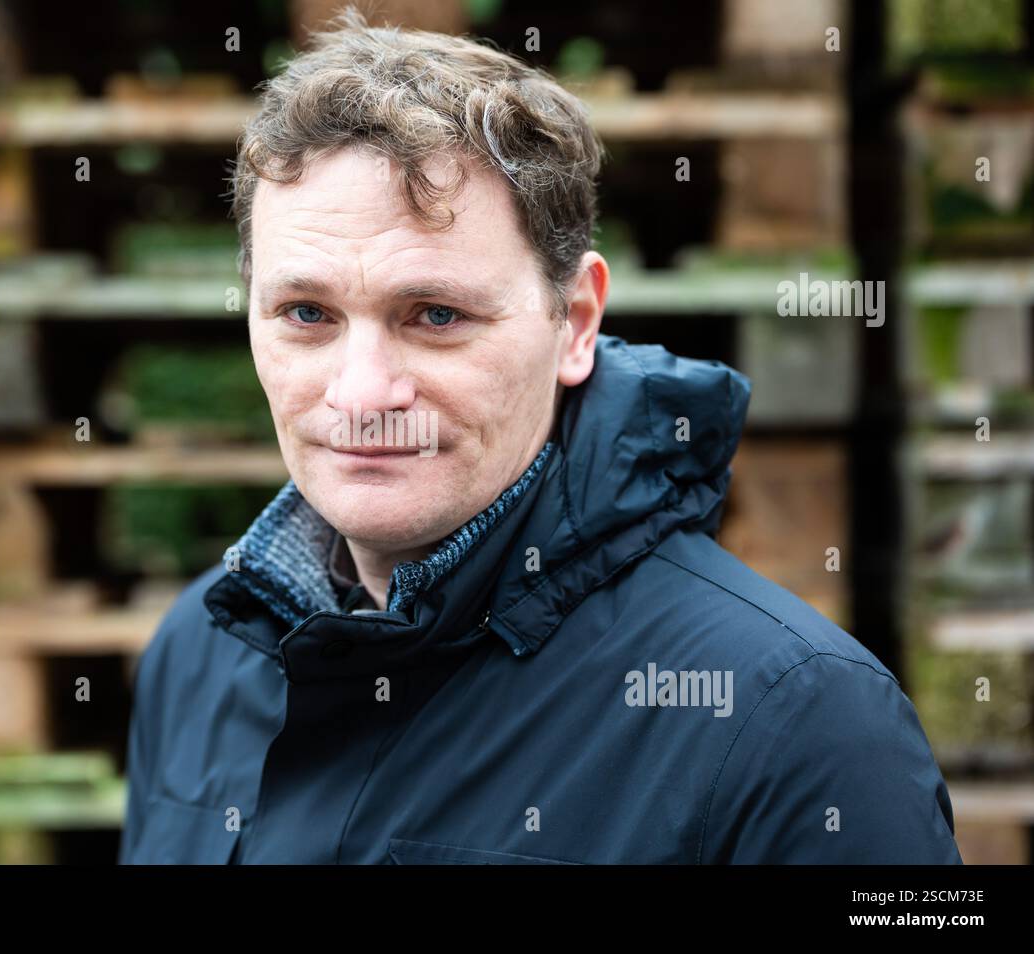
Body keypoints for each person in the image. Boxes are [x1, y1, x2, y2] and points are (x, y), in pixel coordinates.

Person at [119, 7, 962, 864]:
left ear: (576, 321)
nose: (363, 392)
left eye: (436, 315)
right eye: (306, 313)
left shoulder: (801, 723)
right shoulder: (200, 654)